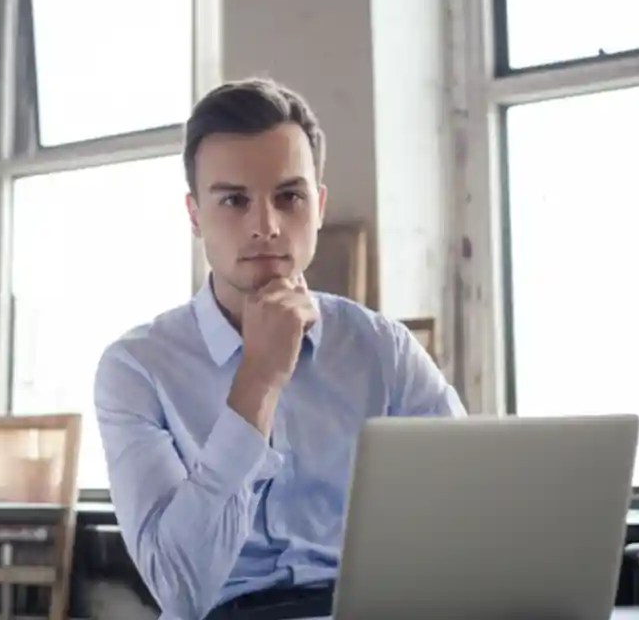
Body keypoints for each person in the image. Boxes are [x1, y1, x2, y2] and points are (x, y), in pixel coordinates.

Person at [94, 78, 466, 620]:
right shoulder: (135, 369)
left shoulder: (383, 348)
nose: (265, 226)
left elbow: (467, 515)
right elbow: (179, 591)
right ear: (195, 215)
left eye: (289, 197)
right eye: (234, 201)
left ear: (319, 206)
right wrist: (259, 380)